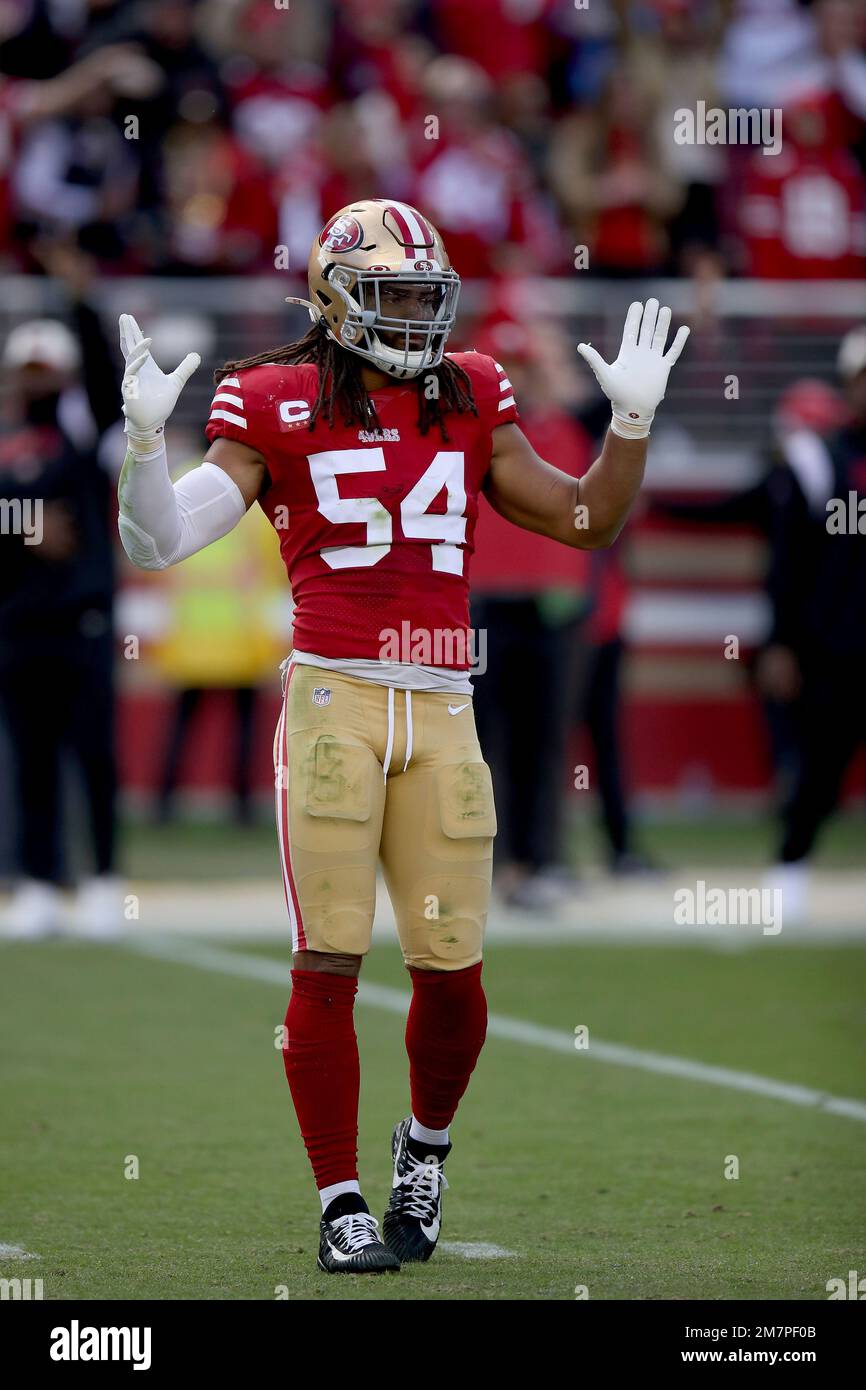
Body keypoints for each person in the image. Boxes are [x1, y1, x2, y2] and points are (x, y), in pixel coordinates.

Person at [115, 199, 689, 1274]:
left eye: (429, 296)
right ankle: (337, 1198)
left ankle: (421, 1148)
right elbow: (158, 539)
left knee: (453, 972)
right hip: (334, 700)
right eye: (394, 296)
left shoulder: (469, 392)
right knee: (327, 960)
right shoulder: (274, 397)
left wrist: (629, 428)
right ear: (335, 299)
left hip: (442, 703)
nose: (419, 317)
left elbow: (583, 519)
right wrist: (146, 443)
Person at [0, 276, 123, 937]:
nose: (38, 382)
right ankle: (40, 883)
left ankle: (104, 881)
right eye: (29, 371)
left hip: (84, 621)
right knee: (32, 758)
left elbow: (108, 388)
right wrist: (26, 525)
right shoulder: (5, 445)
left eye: (49, 370)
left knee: (95, 755)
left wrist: (81, 299)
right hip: (19, 625)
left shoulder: (88, 437)